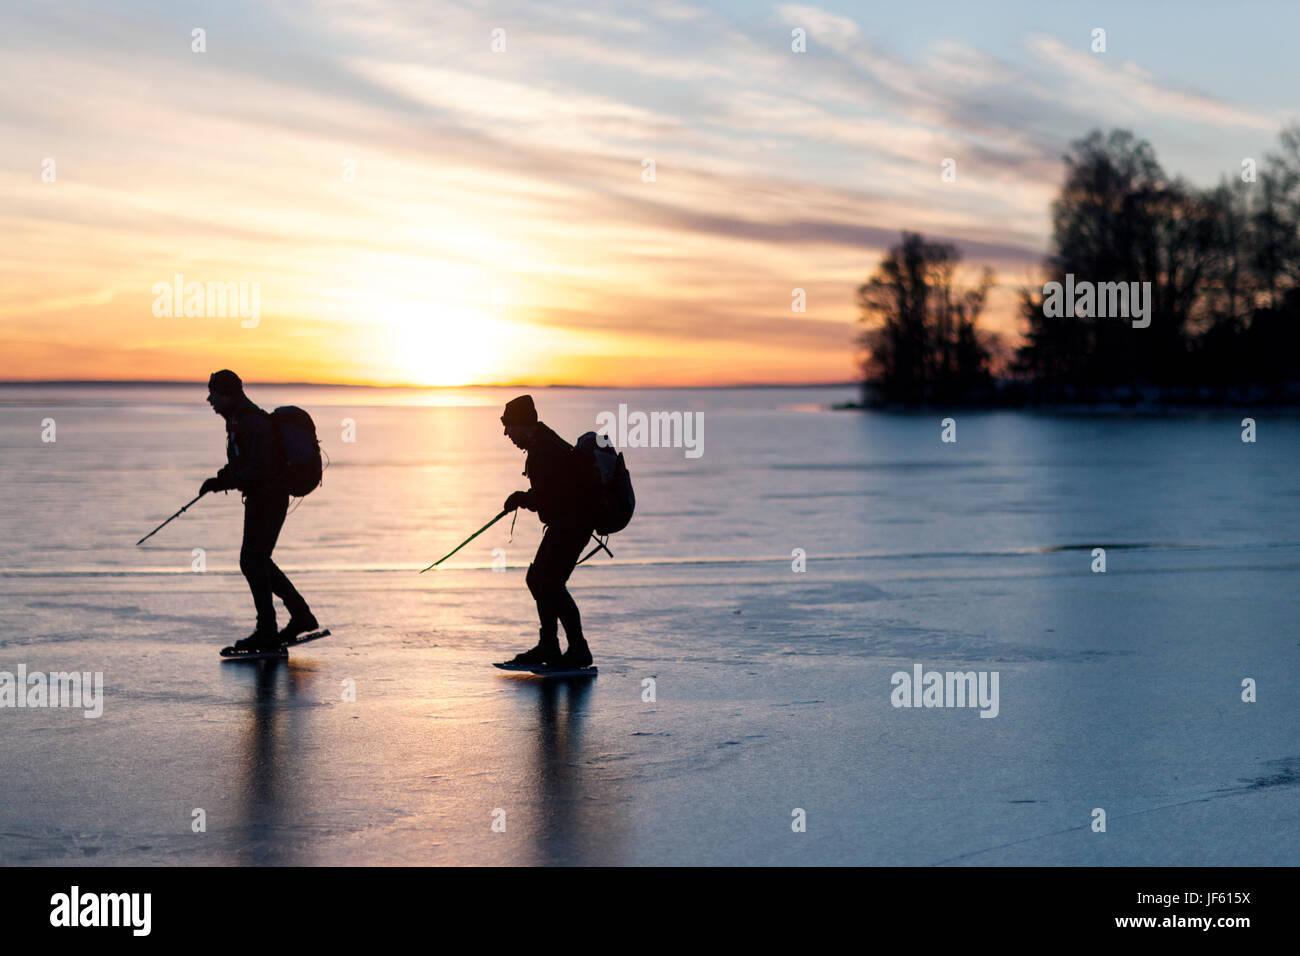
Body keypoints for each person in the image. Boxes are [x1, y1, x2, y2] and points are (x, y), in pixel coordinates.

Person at [201, 370, 318, 652]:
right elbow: (246, 461)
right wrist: (222, 477)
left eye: (214, 393)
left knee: (253, 561)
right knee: (257, 560)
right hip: (262, 497)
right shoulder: (240, 419)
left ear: (228, 394)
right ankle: (300, 616)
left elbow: (261, 468)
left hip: (268, 498)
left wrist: (224, 481)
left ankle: (268, 629)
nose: (209, 399)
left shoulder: (251, 422)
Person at [500, 395, 594, 668]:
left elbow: (551, 497)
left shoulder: (546, 449)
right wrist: (525, 498)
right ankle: (550, 646)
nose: (507, 433)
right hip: (567, 523)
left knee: (549, 583)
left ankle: (577, 649)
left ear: (524, 424)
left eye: (509, 426)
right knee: (540, 580)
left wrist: (522, 498)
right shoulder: (541, 444)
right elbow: (552, 493)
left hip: (574, 525)